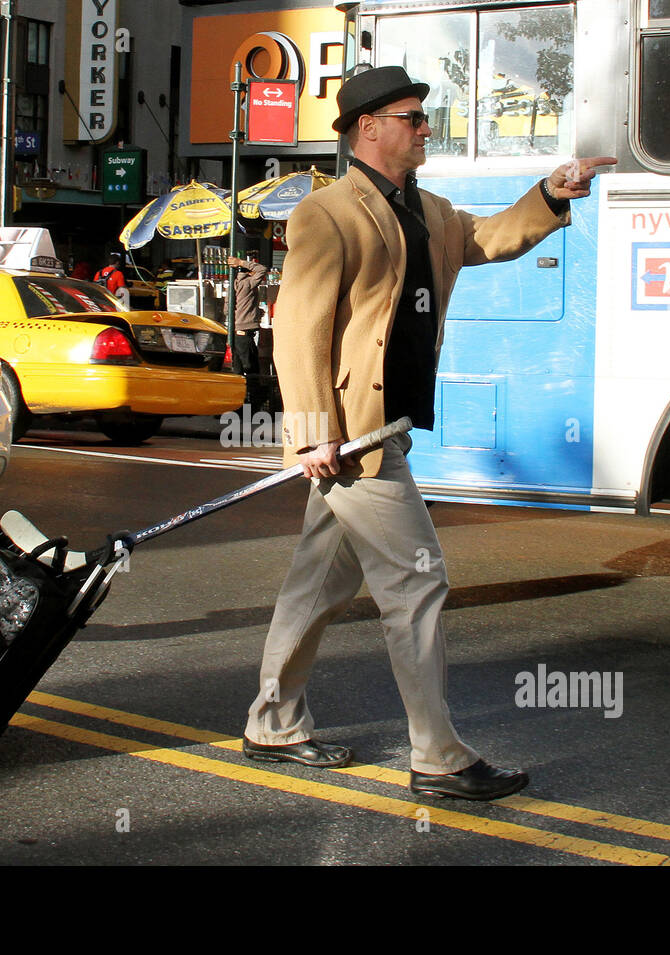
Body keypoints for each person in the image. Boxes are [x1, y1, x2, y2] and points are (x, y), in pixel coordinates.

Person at [240, 64, 615, 800]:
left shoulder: (429, 210)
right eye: (411, 117)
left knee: (318, 583)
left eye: (423, 116)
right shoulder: (326, 212)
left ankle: (274, 721)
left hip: (391, 428)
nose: (424, 127)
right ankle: (436, 755)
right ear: (367, 128)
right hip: (354, 439)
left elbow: (494, 237)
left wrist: (551, 193)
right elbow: (299, 328)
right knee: (418, 579)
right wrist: (315, 430)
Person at [227, 251, 267, 378]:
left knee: (237, 371)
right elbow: (262, 269)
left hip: (235, 332)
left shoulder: (231, 286)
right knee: (252, 369)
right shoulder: (249, 282)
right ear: (249, 272)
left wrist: (250, 311)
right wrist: (240, 262)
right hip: (245, 333)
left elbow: (226, 310)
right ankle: (254, 396)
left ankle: (240, 396)